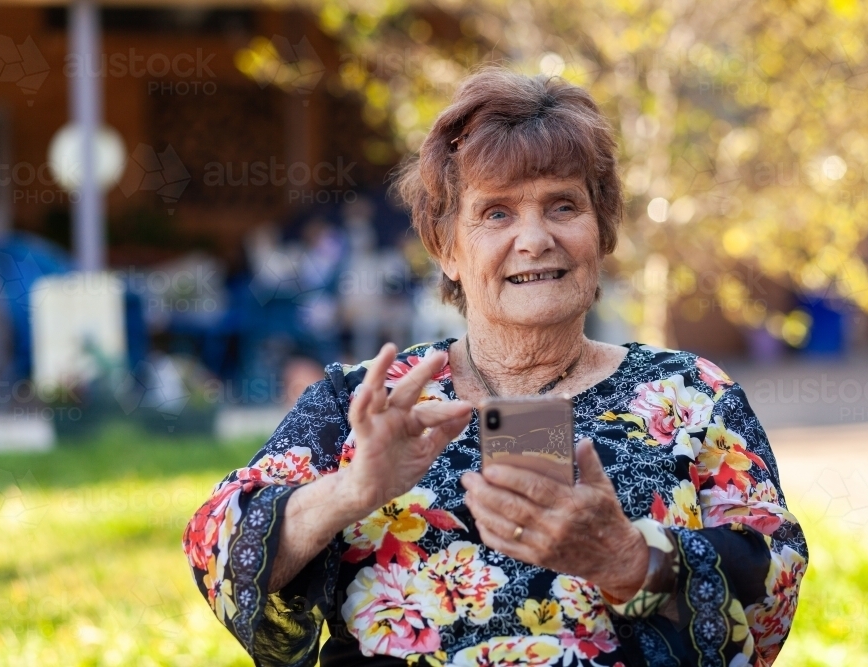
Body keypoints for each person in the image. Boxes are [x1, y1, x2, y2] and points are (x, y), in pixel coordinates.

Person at [183, 69, 808, 667]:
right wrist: (349, 492)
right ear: (446, 247)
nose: (535, 238)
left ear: (602, 229)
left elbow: (772, 588)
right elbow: (217, 549)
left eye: (563, 206)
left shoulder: (692, 396)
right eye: (497, 213)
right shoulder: (367, 401)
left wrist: (628, 561)